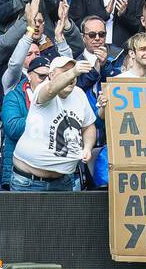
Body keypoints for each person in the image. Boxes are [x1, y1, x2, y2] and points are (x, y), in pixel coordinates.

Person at [11, 54, 97, 191]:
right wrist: (73, 72)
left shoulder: (79, 94)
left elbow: (88, 126)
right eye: (65, 72)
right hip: (29, 181)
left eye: (72, 72)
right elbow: (51, 90)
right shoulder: (43, 88)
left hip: (64, 181)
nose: (71, 77)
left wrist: (87, 147)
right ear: (51, 75)